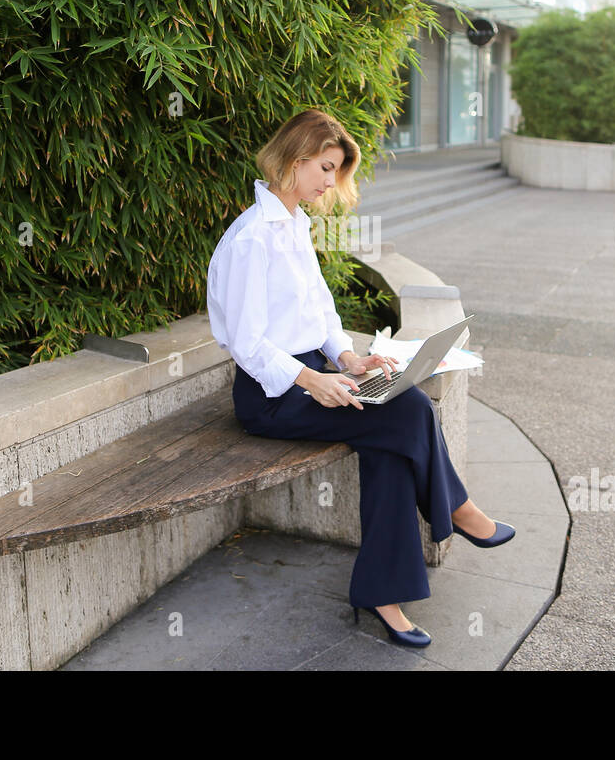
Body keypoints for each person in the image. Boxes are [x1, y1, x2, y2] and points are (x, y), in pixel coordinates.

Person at [206, 108, 514, 649]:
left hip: (312, 375)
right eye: (326, 168)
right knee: (410, 409)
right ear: (295, 159)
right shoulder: (253, 238)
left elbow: (320, 314)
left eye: (334, 171)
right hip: (271, 396)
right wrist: (312, 380)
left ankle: (383, 594)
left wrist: (348, 360)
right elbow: (248, 344)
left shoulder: (294, 222)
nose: (331, 182)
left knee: (391, 444)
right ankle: (456, 511)